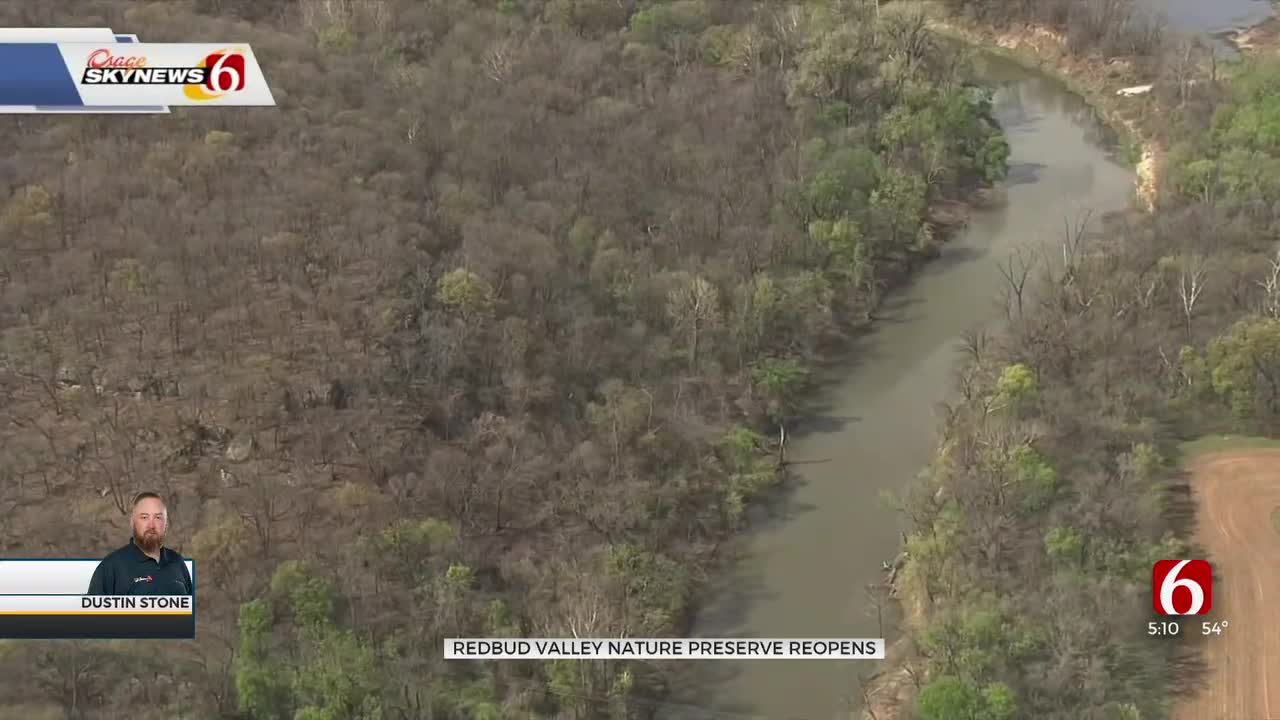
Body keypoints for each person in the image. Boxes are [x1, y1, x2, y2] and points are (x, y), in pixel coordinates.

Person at [87, 491, 193, 595]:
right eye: (144, 517)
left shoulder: (177, 562)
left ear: (166, 524)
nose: (151, 525)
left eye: (158, 517)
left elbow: (190, 610)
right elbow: (91, 611)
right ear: (132, 522)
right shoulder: (110, 567)